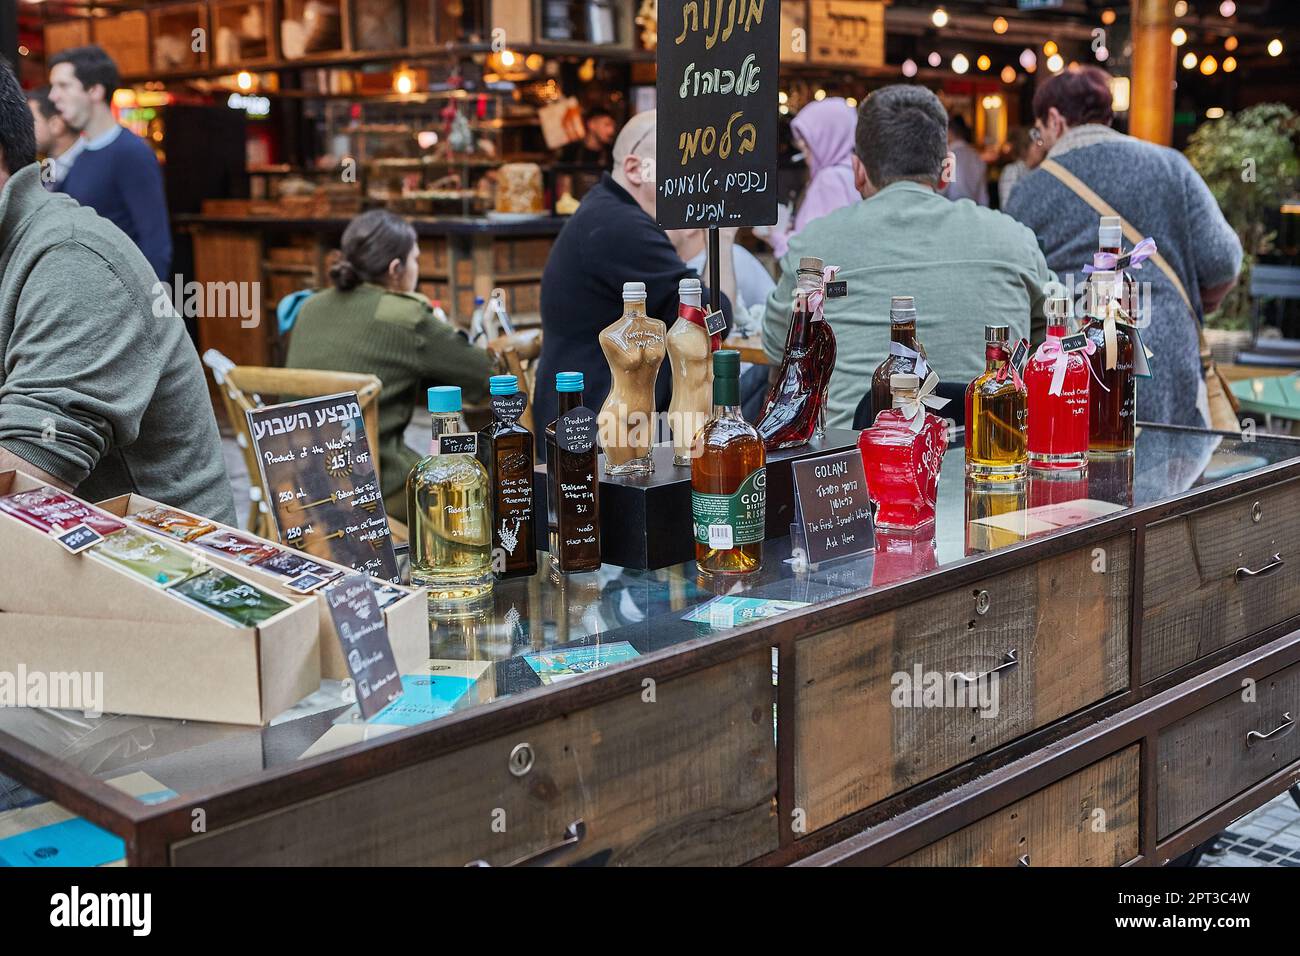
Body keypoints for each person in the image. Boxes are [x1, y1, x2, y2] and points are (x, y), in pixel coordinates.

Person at [0, 61, 233, 523]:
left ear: (96, 90)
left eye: (65, 84)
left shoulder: (75, 253)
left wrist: (148, 303)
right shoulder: (81, 161)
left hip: (166, 573)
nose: (58, 96)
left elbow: (25, 479)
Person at [762, 84, 1057, 431]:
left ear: (858, 171)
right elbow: (1051, 340)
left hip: (853, 478)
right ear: (947, 169)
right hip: (993, 474)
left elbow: (776, 345)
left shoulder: (812, 250)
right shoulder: (1014, 241)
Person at [1005, 65, 1243, 429]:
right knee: (1176, 479)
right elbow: (1222, 260)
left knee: (1079, 474)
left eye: (1039, 132)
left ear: (1054, 120)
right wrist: (1195, 301)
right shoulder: (1171, 165)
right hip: (1168, 362)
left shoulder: (1029, 191)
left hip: (1073, 372)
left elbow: (1015, 285)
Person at [535, 110, 734, 449]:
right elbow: (714, 320)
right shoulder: (618, 225)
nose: (689, 178)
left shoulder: (606, 212)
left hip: (588, 418)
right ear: (633, 169)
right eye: (677, 162)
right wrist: (725, 238)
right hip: (601, 437)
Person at [286, 210, 495, 523]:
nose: (417, 269)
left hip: (297, 479)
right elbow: (487, 377)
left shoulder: (310, 306)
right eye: (416, 260)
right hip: (373, 484)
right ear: (396, 268)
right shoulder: (402, 316)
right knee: (479, 493)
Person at [48, 45, 172, 280]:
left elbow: (156, 244)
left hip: (122, 307)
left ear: (94, 90)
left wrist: (151, 310)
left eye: (63, 85)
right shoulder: (80, 154)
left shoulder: (131, 152)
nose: (53, 96)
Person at [767, 97, 861, 258]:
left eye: (808, 137)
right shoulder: (853, 171)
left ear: (829, 136)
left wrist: (776, 237)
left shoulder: (830, 179)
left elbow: (815, 248)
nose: (801, 144)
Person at [26, 86, 83, 187]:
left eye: (31, 122)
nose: (26, 129)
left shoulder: (93, 162)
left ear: (56, 125)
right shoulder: (48, 164)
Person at [944, 113, 989, 207]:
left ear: (950, 133)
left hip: (953, 212)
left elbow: (942, 190)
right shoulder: (976, 156)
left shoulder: (948, 157)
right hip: (973, 212)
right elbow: (983, 196)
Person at [997, 127, 1043, 210]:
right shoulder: (1012, 171)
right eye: (1038, 144)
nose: (1041, 148)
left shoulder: (1040, 170)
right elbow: (1008, 206)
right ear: (1025, 148)